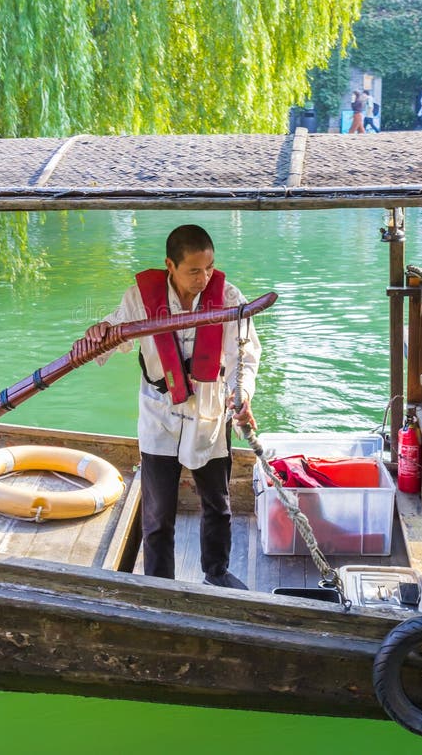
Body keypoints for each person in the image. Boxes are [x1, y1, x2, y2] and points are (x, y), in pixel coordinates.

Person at [78, 224, 261, 590]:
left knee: (218, 502)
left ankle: (216, 570)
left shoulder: (227, 296)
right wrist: (97, 336)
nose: (203, 277)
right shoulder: (141, 299)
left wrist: (240, 394)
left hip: (208, 411)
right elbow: (115, 333)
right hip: (159, 412)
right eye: (194, 270)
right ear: (170, 265)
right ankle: (160, 585)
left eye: (208, 268)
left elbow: (243, 355)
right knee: (158, 511)